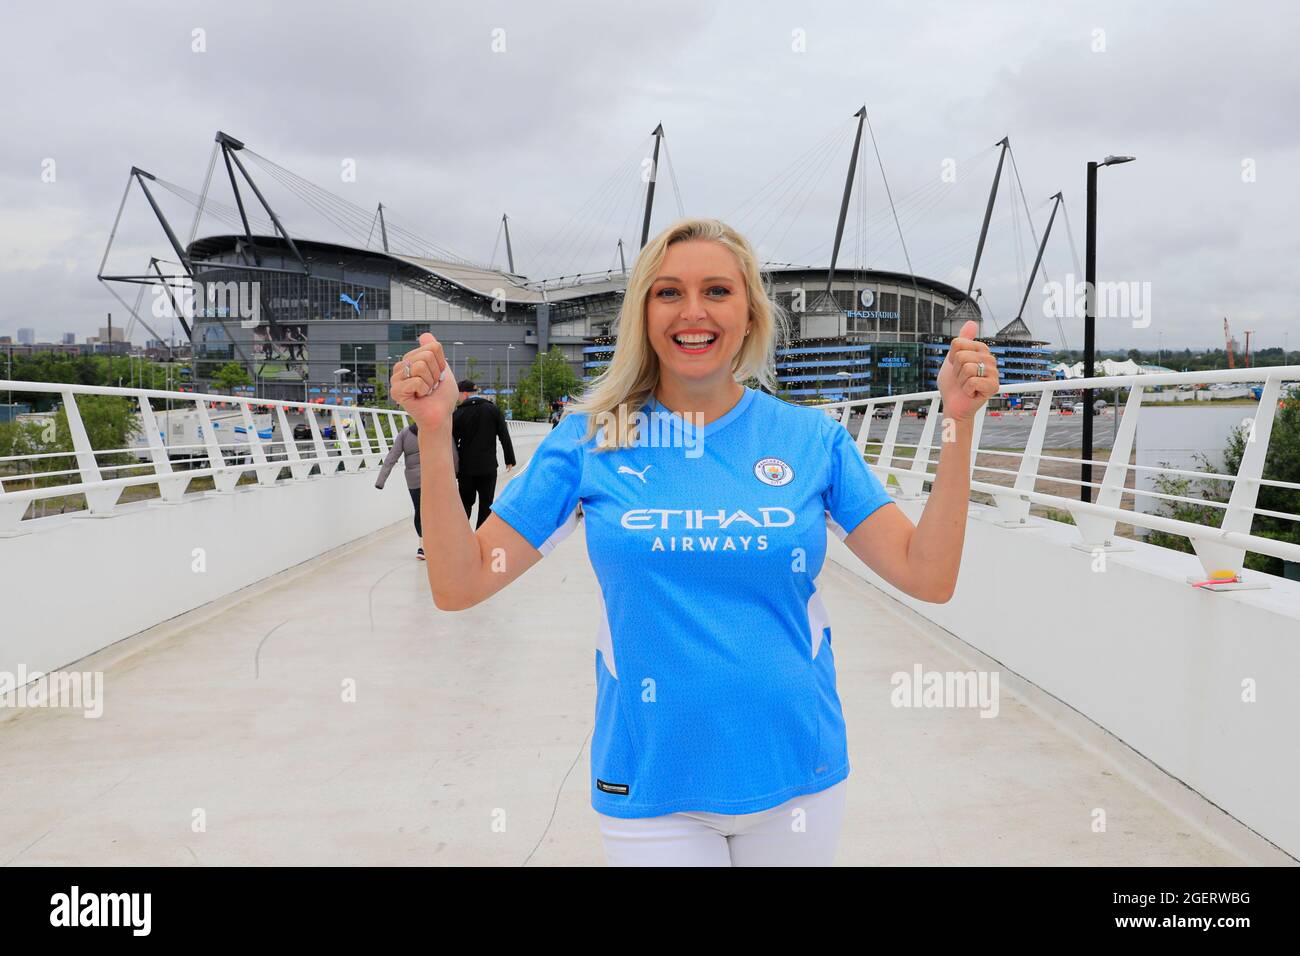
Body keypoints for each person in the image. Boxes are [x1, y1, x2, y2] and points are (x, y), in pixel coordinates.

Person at [389, 217, 999, 866]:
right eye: (668, 292)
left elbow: (926, 574)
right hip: (651, 784)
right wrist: (433, 429)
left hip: (797, 775)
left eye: (717, 291)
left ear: (749, 313)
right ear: (643, 313)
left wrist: (958, 426)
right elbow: (460, 583)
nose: (693, 312)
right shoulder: (593, 439)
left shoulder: (811, 441)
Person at [375, 420, 459, 559]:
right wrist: (455, 473)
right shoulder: (439, 430)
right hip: (435, 477)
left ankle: (422, 546)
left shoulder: (405, 433)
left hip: (414, 480)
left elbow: (392, 457)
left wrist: (381, 481)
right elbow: (453, 453)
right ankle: (438, 544)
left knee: (420, 510)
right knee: (436, 511)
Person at [450, 380, 516, 528]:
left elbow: (451, 441)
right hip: (488, 467)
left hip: (466, 468)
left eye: (459, 394)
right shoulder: (493, 410)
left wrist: (451, 464)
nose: (458, 398)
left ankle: (462, 537)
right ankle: (481, 537)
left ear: (465, 393)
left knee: (465, 503)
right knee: (486, 504)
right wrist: (509, 459)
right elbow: (504, 435)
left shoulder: (458, 413)